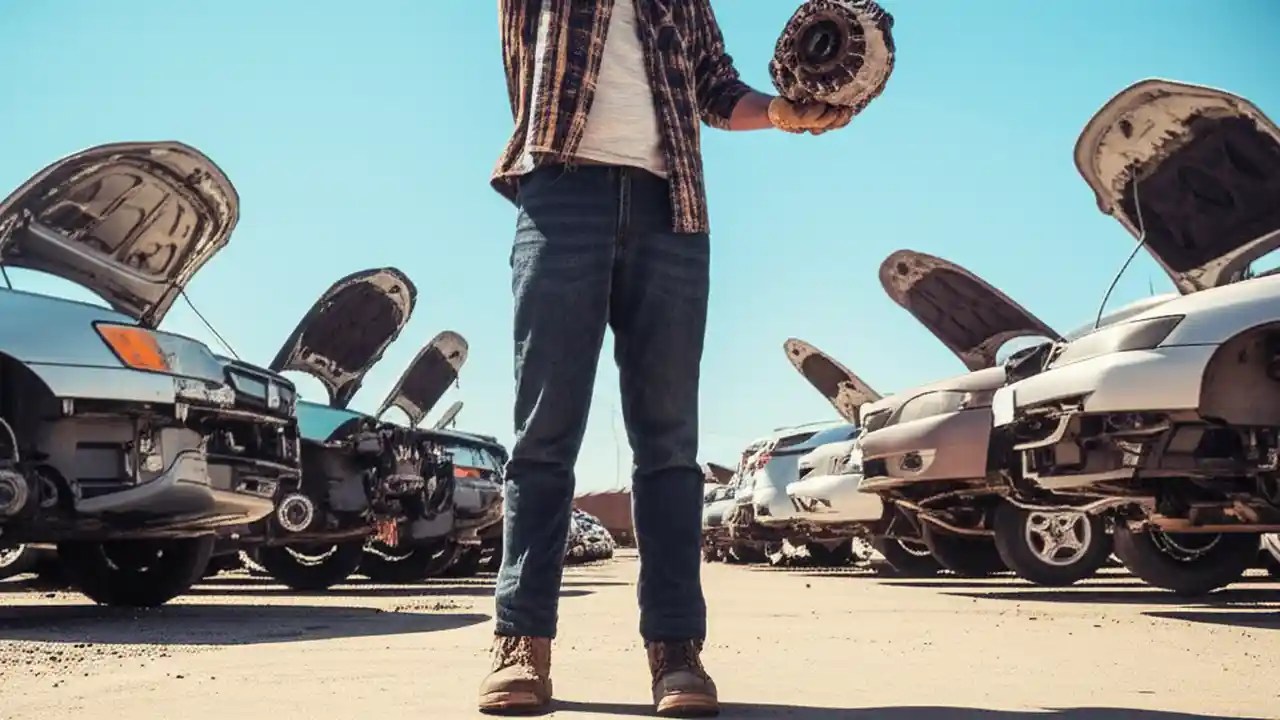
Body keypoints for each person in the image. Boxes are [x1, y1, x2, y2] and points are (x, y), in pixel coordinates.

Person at [481, 1, 854, 716]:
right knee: (544, 435)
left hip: (671, 209)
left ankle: (676, 652)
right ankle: (520, 641)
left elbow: (715, 86)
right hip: (563, 196)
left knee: (670, 444)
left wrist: (783, 113)